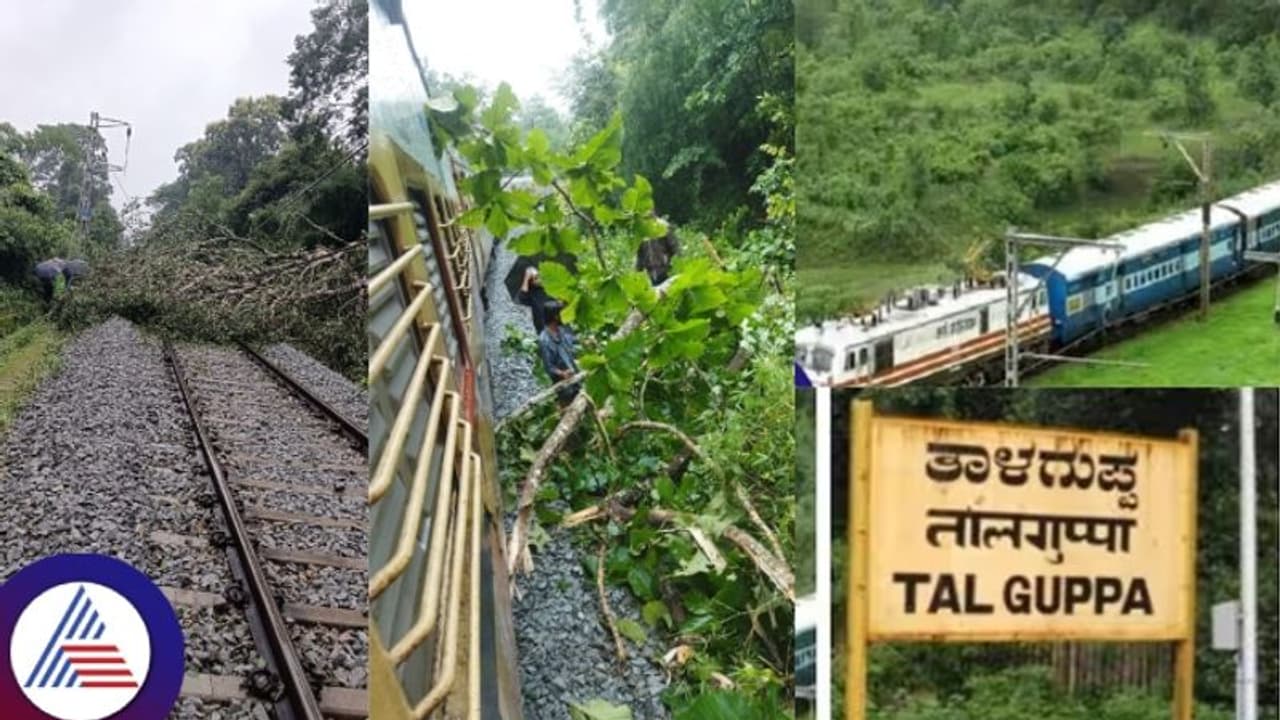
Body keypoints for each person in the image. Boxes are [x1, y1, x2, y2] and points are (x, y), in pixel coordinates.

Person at [537, 301, 580, 409]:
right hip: (563, 382)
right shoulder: (544, 340)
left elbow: (572, 341)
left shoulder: (561, 330)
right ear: (555, 317)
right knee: (568, 407)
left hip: (574, 373)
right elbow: (549, 367)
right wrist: (562, 373)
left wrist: (585, 341)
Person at [517, 266, 551, 334]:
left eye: (539, 276)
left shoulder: (550, 286)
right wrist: (526, 278)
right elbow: (522, 297)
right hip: (543, 329)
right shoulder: (532, 293)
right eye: (535, 278)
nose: (539, 279)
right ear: (531, 282)